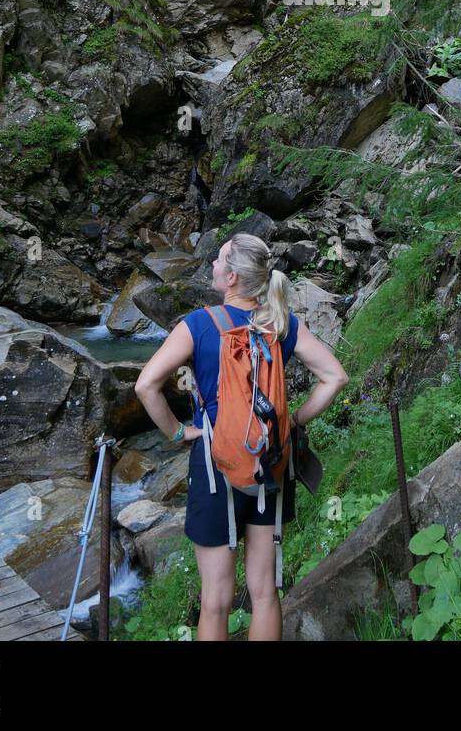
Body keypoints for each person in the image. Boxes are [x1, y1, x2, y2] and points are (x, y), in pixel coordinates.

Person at [134, 232, 349, 641]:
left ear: (231, 277)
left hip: (215, 462)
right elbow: (335, 377)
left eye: (218, 259)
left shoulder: (198, 325)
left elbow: (146, 386)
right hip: (271, 462)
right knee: (265, 592)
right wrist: (293, 421)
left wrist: (178, 431)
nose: (212, 265)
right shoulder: (282, 325)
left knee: (215, 599)